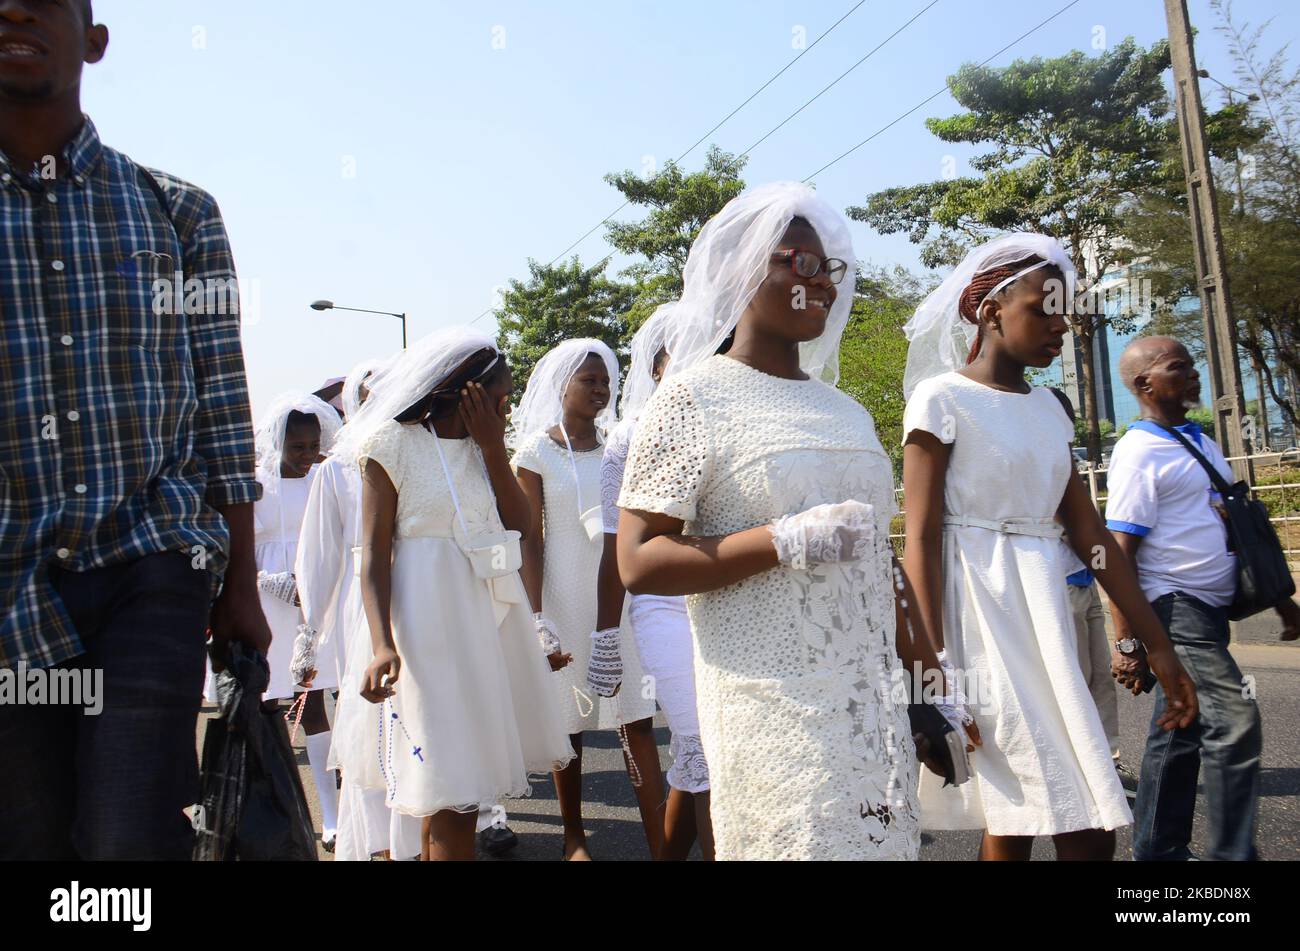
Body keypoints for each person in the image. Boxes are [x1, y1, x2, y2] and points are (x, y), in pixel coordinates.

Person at [0, 0, 271, 860]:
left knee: (125, 836)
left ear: (95, 41)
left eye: (45, 1)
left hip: (150, 564)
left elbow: (224, 409)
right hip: (9, 583)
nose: (15, 11)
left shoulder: (178, 212)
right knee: (31, 835)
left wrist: (239, 587)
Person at [616, 182, 952, 861]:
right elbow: (639, 558)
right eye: (800, 263)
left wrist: (929, 681)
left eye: (831, 268)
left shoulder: (847, 409)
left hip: (866, 704)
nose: (822, 283)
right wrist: (784, 540)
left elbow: (875, 557)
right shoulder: (691, 398)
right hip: (772, 711)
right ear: (738, 272)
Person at [900, 233, 1199, 861]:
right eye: (1045, 308)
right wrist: (931, 666)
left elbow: (1090, 537)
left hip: (1044, 612)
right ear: (990, 312)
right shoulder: (941, 399)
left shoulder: (1050, 409)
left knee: (1046, 806)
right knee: (1055, 804)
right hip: (978, 614)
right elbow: (921, 535)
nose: (1061, 324)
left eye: (1066, 310)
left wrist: (1157, 644)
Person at [337, 328, 574, 861]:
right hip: (422, 630)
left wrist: (492, 445)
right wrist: (381, 644)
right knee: (451, 786)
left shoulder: (485, 450)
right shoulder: (391, 445)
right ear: (464, 394)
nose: (506, 410)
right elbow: (372, 555)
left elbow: (521, 524)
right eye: (498, 400)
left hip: (482, 625)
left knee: (455, 788)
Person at [1107, 335, 1300, 861]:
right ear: (1145, 383)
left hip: (1210, 612)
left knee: (1181, 727)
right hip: (1174, 608)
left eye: (1192, 365)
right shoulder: (1139, 451)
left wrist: (1282, 600)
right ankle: (1235, 857)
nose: (1193, 374)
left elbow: (1241, 527)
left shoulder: (1198, 440)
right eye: (1179, 367)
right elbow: (1117, 551)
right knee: (1236, 720)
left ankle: (1158, 853)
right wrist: (1125, 641)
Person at [512, 338, 658, 861]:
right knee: (568, 725)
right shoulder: (535, 452)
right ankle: (574, 836)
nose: (599, 389)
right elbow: (530, 536)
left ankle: (660, 839)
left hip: (616, 594)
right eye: (588, 380)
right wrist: (536, 616)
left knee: (635, 718)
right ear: (562, 385)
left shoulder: (621, 442)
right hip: (561, 595)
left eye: (605, 382)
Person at [598, 303, 713, 860]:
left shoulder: (727, 420)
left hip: (730, 597)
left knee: (708, 759)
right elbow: (614, 548)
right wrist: (602, 635)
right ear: (658, 366)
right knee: (704, 747)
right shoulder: (629, 437)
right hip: (663, 606)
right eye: (679, 359)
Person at [294, 358, 390, 860]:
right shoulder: (336, 470)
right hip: (363, 607)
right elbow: (320, 556)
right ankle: (374, 839)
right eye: (370, 396)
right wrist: (310, 634)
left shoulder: (422, 453)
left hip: (419, 599)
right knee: (369, 726)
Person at [252, 392, 341, 848]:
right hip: (268, 602)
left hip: (314, 599)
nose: (307, 456)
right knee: (273, 705)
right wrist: (268, 580)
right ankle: (281, 820)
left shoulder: (322, 481)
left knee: (314, 703)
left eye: (313, 445)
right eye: (297, 448)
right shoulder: (256, 485)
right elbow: (237, 545)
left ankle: (333, 814)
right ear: (277, 443)